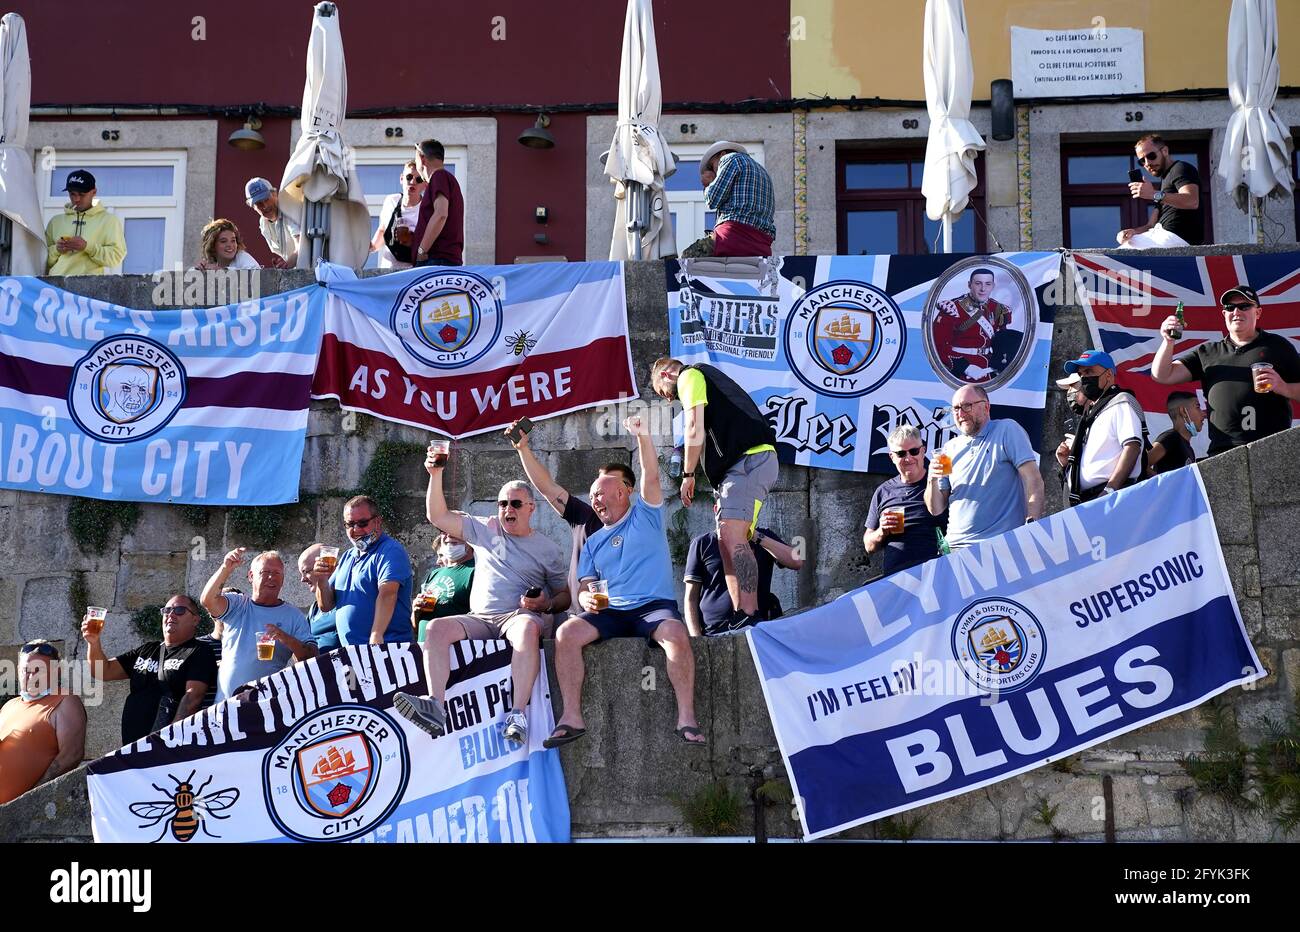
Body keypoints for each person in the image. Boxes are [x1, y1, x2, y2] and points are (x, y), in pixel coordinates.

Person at [547, 415, 705, 747]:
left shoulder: (645, 514)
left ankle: (687, 718)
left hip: (652, 607)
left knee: (676, 633)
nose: (595, 501)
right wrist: (587, 597)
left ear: (625, 493)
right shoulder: (592, 541)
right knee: (566, 632)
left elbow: (650, 474)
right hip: (612, 611)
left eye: (601, 493)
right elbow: (586, 585)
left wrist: (643, 435)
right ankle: (571, 717)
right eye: (591, 496)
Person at [392, 452, 570, 747]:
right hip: (480, 617)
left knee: (527, 628)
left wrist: (545, 604)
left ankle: (518, 715)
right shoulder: (486, 529)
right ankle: (435, 705)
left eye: (514, 503)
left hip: (517, 617)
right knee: (436, 628)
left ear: (530, 508)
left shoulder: (547, 548)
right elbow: (438, 517)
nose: (507, 509)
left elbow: (564, 595)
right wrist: (435, 475)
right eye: (502, 504)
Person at [651, 356, 778, 628]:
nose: (671, 401)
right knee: (726, 541)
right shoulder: (704, 380)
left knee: (733, 538)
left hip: (747, 461)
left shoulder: (689, 376)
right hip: (742, 466)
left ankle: (749, 611)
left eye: (666, 395)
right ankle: (739, 613)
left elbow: (694, 427)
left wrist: (688, 474)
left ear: (666, 376)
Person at [1151, 284, 1300, 455]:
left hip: (1271, 446)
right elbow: (1162, 375)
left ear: (1257, 312)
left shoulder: (1278, 346)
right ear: (1224, 314)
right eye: (1230, 307)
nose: (1236, 312)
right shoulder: (1208, 352)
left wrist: (1284, 387)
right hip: (1223, 450)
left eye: (1244, 306)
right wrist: (1168, 341)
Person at [506, 416, 633, 606]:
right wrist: (523, 449)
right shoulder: (585, 516)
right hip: (583, 617)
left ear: (627, 490)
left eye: (612, 484)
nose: (603, 490)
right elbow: (547, 488)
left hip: (628, 615)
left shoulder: (640, 524)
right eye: (600, 485)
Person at [82, 595, 217, 745]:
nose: (171, 614)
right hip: (134, 744)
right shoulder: (148, 649)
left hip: (166, 745)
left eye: (179, 610)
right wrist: (93, 642)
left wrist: (169, 738)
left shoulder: (200, 651)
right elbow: (102, 671)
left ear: (195, 619)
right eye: (167, 610)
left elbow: (193, 698)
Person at [925, 385, 1044, 548]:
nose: (960, 414)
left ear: (986, 406)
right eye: (956, 409)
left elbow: (1034, 480)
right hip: (955, 548)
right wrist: (932, 479)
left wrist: (1031, 526)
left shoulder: (1007, 429)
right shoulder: (948, 449)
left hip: (999, 545)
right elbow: (936, 509)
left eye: (967, 406)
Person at [201, 549, 317, 702]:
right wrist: (226, 568)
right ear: (251, 576)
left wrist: (285, 638)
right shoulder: (238, 604)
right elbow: (208, 601)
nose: (271, 577)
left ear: (282, 580)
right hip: (225, 705)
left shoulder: (293, 615)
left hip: (265, 705)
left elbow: (312, 656)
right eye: (265, 572)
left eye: (277, 573)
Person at [310, 497, 414, 646]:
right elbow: (326, 606)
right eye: (350, 524)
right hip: (354, 652)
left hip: (386, 647)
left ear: (377, 522)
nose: (356, 530)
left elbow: (388, 594)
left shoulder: (390, 550)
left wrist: (376, 635)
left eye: (363, 523)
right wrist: (321, 579)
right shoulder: (347, 556)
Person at [686, 507, 802, 636]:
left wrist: (755, 535)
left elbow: (796, 561)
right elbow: (691, 597)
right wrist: (696, 638)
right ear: (716, 510)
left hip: (756, 626)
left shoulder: (762, 537)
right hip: (714, 630)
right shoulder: (702, 543)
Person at [1054, 350, 1147, 505]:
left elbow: (1132, 446)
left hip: (1111, 497)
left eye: (1089, 371)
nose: (1084, 378)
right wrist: (1066, 463)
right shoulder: (1092, 414)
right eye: (1081, 374)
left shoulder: (1121, 402)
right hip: (1088, 501)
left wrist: (1110, 490)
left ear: (1109, 375)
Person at [0, 641, 87, 804]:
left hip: (24, 814)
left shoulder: (65, 701)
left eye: (39, 670)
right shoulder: (9, 706)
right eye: (26, 670)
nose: (32, 677)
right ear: (18, 671)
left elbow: (72, 755)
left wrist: (31, 798)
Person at [863, 424, 946, 576]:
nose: (908, 458)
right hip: (897, 581)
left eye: (914, 451)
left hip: (936, 575)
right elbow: (868, 545)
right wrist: (882, 531)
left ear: (923, 451)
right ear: (892, 457)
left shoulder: (942, 483)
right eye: (901, 453)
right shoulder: (883, 491)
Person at [931, 268, 1019, 383]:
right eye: (978, 283)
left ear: (993, 285)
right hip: (961, 372)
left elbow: (1002, 342)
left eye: (988, 284)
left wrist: (1000, 364)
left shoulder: (999, 309)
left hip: (990, 370)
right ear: (969, 285)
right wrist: (966, 367)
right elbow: (937, 346)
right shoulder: (952, 308)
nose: (983, 289)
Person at [1118, 134, 1204, 248]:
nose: (1147, 163)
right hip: (1160, 235)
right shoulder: (1164, 185)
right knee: (1124, 246)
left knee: (1114, 258)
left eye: (1151, 156)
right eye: (1142, 161)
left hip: (1175, 237)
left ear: (1165, 151)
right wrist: (1133, 232)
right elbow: (1151, 225)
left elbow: (1192, 201)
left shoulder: (1180, 168)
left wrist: (1153, 194)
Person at [44, 170, 127, 275]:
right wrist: (57, 249)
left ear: (94, 192)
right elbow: (41, 261)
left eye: (82, 194)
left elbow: (116, 257)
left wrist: (87, 247)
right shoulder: (55, 221)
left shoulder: (109, 221)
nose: (76, 199)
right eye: (72, 194)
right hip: (57, 287)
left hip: (90, 287)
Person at [700, 141, 775, 257]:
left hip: (732, 237)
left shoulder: (730, 159)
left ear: (722, 154)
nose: (713, 171)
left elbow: (712, 200)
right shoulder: (762, 171)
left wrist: (708, 184)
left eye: (711, 166)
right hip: (762, 245)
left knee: (684, 261)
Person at [412, 532, 475, 643]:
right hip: (424, 649)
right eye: (444, 531)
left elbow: (483, 621)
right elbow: (416, 627)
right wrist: (416, 611)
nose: (449, 534)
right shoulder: (434, 574)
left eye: (455, 530)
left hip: (455, 652)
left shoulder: (477, 571)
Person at [411, 139, 464, 267]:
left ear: (422, 159)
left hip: (437, 260)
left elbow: (441, 214)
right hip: (442, 259)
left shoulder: (438, 176)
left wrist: (421, 250)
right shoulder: (447, 179)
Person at [370, 160, 426, 270]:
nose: (412, 182)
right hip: (388, 270)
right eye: (409, 177)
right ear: (401, 178)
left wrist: (411, 240)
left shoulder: (427, 209)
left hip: (412, 272)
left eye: (418, 179)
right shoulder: (391, 200)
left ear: (424, 185)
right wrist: (369, 248)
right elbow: (382, 230)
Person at [245, 177, 299, 268]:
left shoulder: (289, 212)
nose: (265, 206)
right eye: (258, 203)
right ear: (252, 206)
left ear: (275, 194)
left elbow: (302, 246)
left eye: (266, 199)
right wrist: (282, 263)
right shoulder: (263, 223)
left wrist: (286, 265)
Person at [1149, 391, 1204, 474]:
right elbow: (1142, 464)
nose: (1203, 414)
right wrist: (1164, 484)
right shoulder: (1170, 438)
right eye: (1198, 407)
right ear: (1183, 411)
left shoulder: (1189, 449)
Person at [297, 544, 338, 653]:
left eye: (305, 571)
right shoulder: (314, 609)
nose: (302, 579)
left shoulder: (349, 600)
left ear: (326, 565)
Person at [194, 218, 261, 270]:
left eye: (233, 240)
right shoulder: (209, 263)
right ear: (212, 245)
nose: (230, 245)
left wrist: (221, 270)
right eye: (223, 241)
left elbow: (257, 275)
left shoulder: (242, 256)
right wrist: (199, 269)